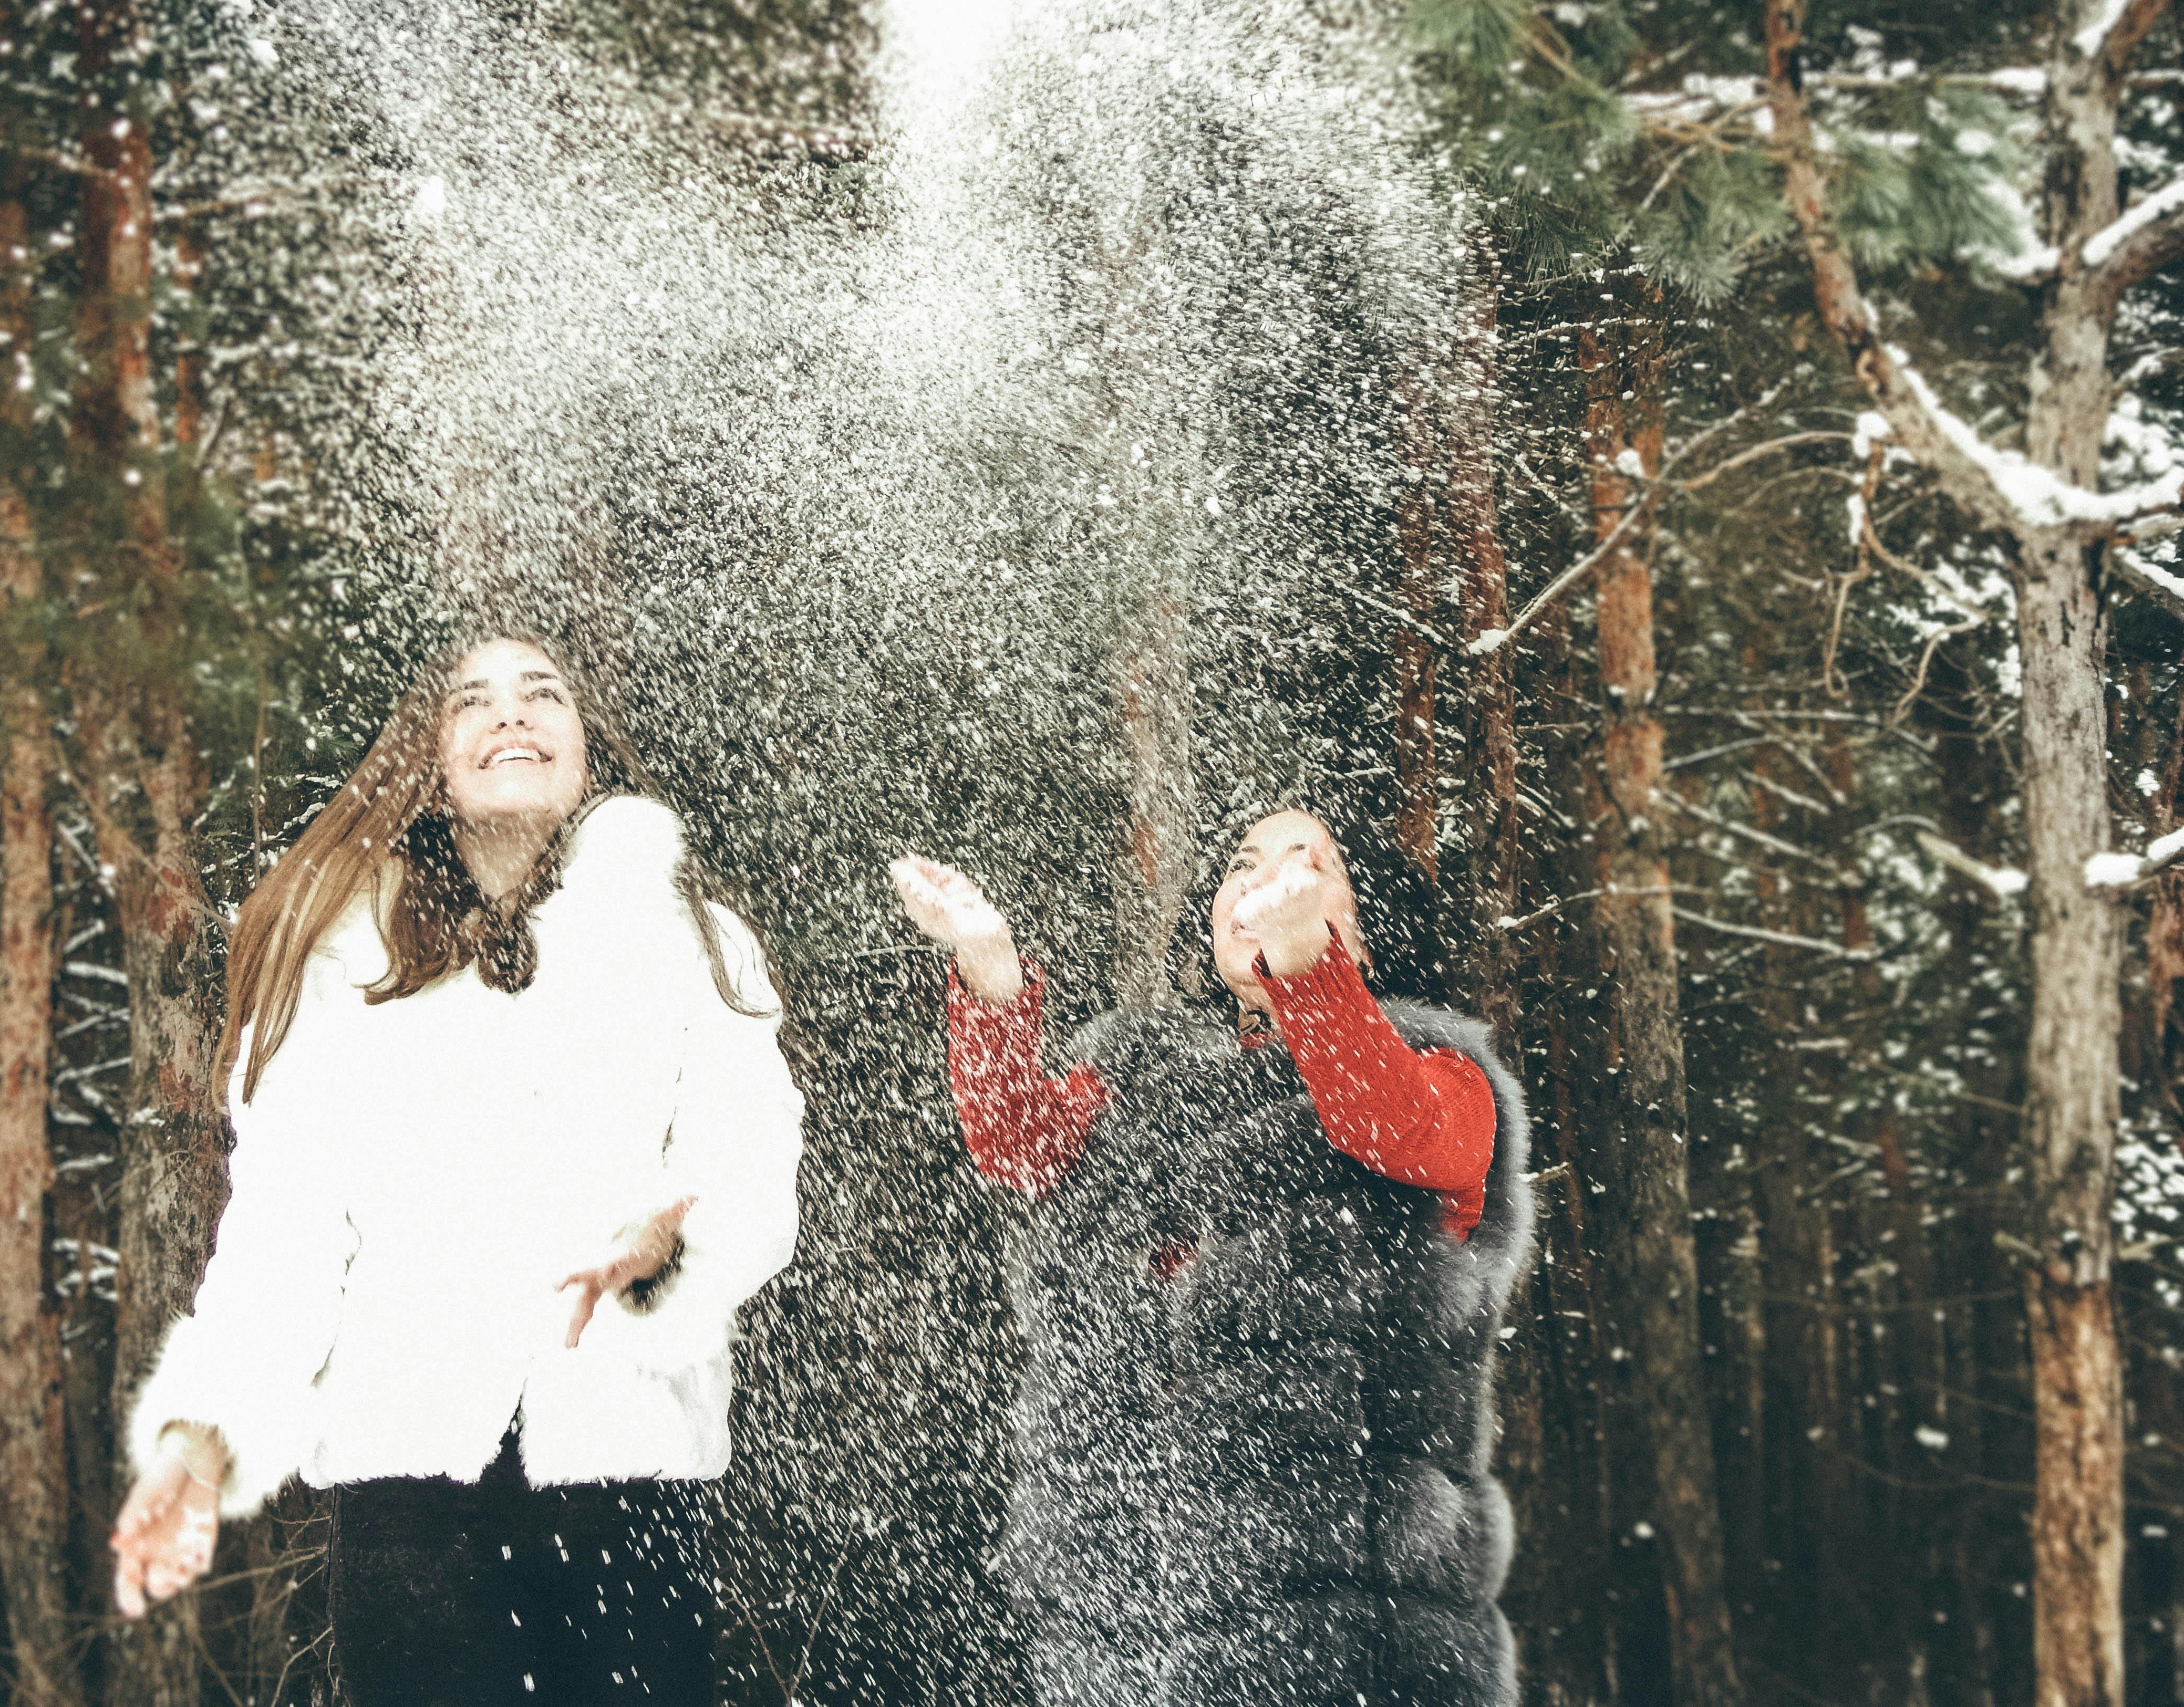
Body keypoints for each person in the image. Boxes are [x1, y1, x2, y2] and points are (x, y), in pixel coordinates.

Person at [110, 631, 804, 1707]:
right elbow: (286, 1230)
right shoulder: (345, 953)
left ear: (590, 749)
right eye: (474, 702)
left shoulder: (690, 941)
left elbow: (751, 1163)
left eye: (544, 696)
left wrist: (673, 1243)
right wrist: (203, 1435)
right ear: (430, 756)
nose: (513, 717)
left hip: (620, 1475)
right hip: (411, 1501)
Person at [890, 809, 1532, 1707]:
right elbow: (1018, 1144)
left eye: (1308, 867)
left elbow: (1381, 1114)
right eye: (1244, 864)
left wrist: (1305, 962)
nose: (1264, 883)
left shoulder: (1442, 1074)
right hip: (1128, 1628)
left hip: (1347, 1642)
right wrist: (991, 972)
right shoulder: (1147, 1076)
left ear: (1365, 923)